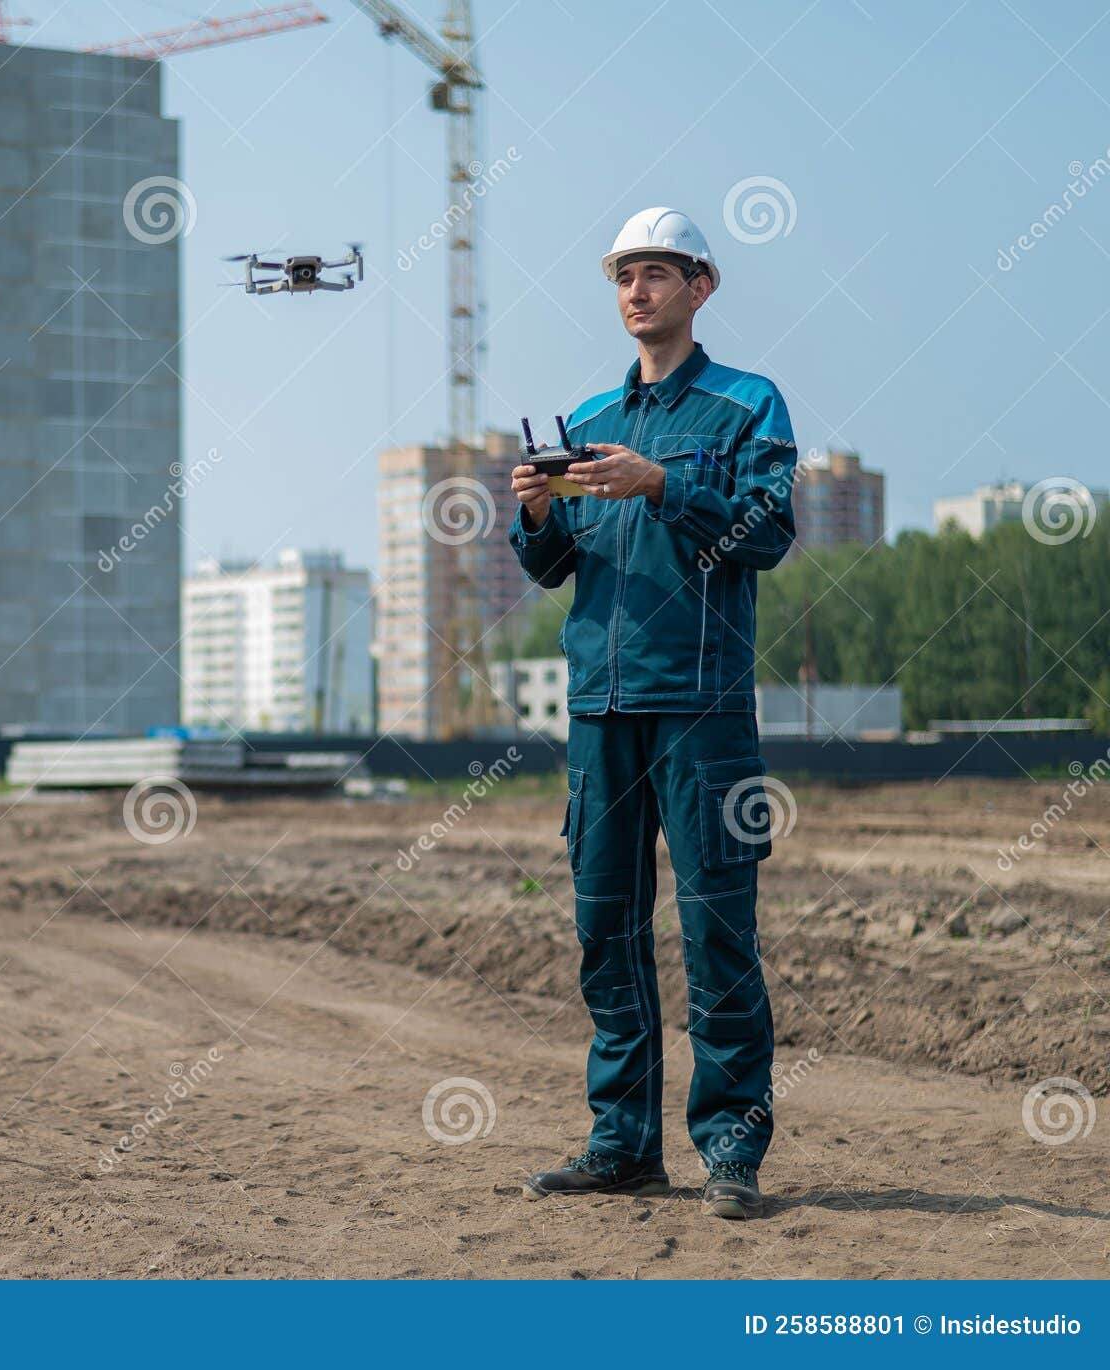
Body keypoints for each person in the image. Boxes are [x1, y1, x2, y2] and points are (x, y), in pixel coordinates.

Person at [508, 207, 797, 1220]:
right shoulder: (591, 415)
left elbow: (768, 531)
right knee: (603, 931)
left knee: (717, 930)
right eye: (623, 275)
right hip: (599, 708)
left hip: (702, 706)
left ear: (699, 286)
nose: (636, 291)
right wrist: (536, 512)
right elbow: (553, 568)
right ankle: (621, 1144)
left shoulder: (745, 403)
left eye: (656, 274)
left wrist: (665, 483)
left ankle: (730, 1148)